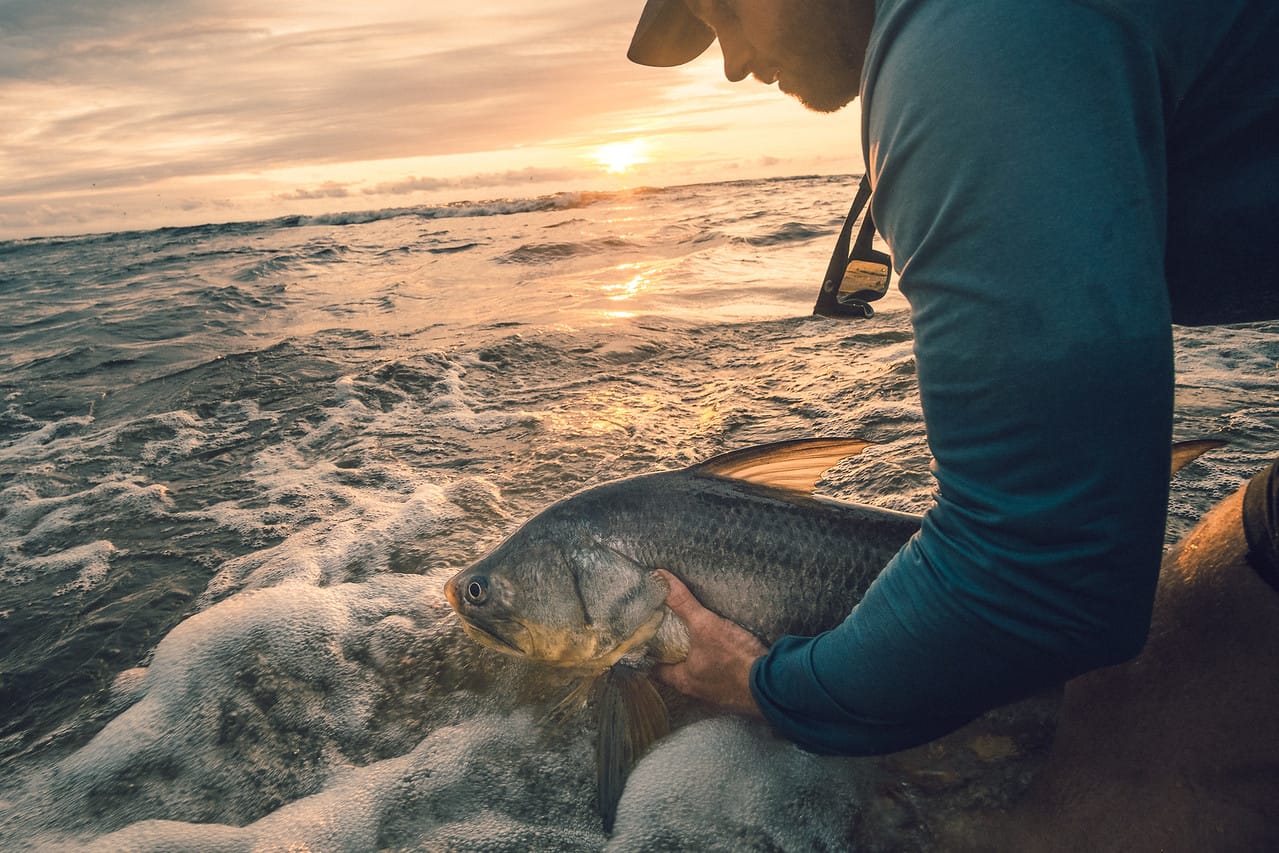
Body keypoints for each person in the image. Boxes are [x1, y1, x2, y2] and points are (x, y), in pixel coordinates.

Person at [628, 0, 1279, 755]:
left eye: (726, 10)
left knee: (1109, 779)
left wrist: (767, 687)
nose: (732, 59)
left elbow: (1042, 575)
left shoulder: (972, 39)